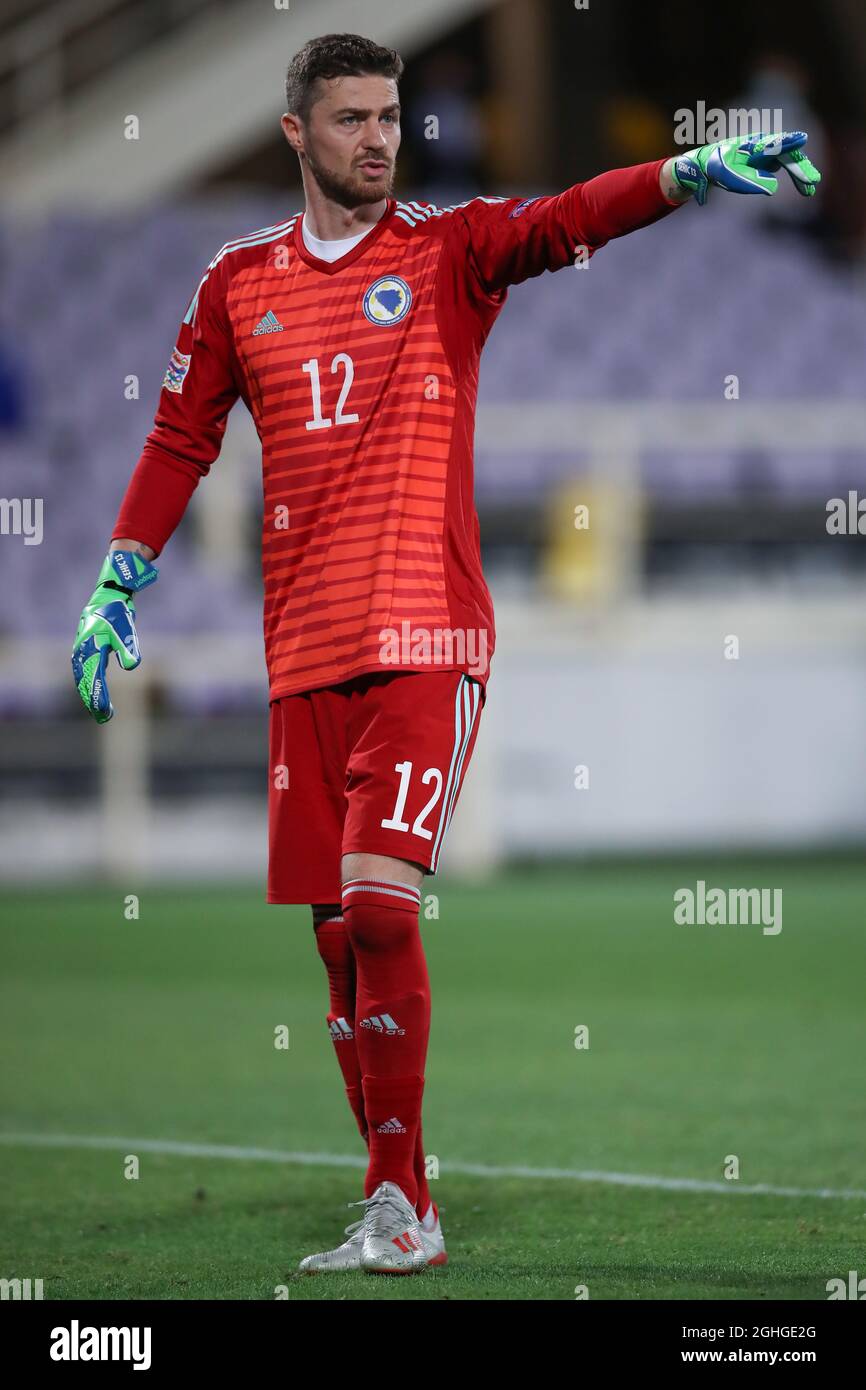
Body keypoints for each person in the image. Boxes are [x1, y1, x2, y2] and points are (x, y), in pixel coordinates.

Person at [71, 32, 820, 1274]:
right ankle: (398, 1182)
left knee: (376, 900)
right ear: (296, 134)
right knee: (332, 940)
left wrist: (689, 172)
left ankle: (398, 1205)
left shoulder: (445, 250)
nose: (379, 137)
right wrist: (114, 580)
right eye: (353, 117)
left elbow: (568, 215)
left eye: (391, 113)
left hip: (424, 633)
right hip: (300, 654)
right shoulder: (234, 284)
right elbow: (175, 439)